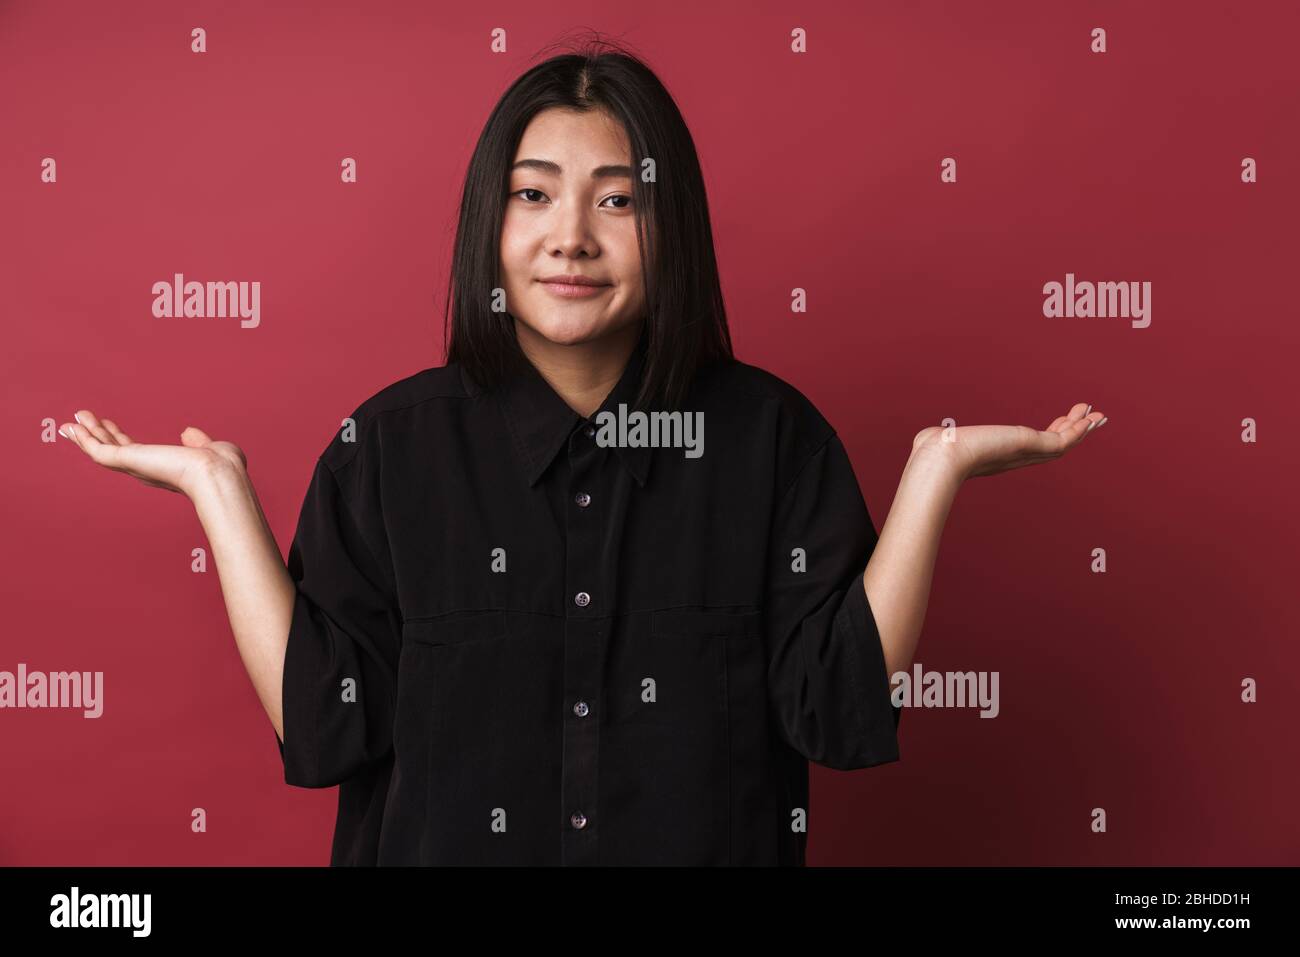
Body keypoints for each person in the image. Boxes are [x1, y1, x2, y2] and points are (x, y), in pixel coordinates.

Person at [57, 39, 1107, 866]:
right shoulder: (386, 449)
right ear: (490, 225)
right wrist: (220, 492)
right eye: (533, 194)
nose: (571, 237)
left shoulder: (772, 442)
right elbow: (330, 729)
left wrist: (931, 477)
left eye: (617, 199)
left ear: (672, 224)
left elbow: (833, 710)